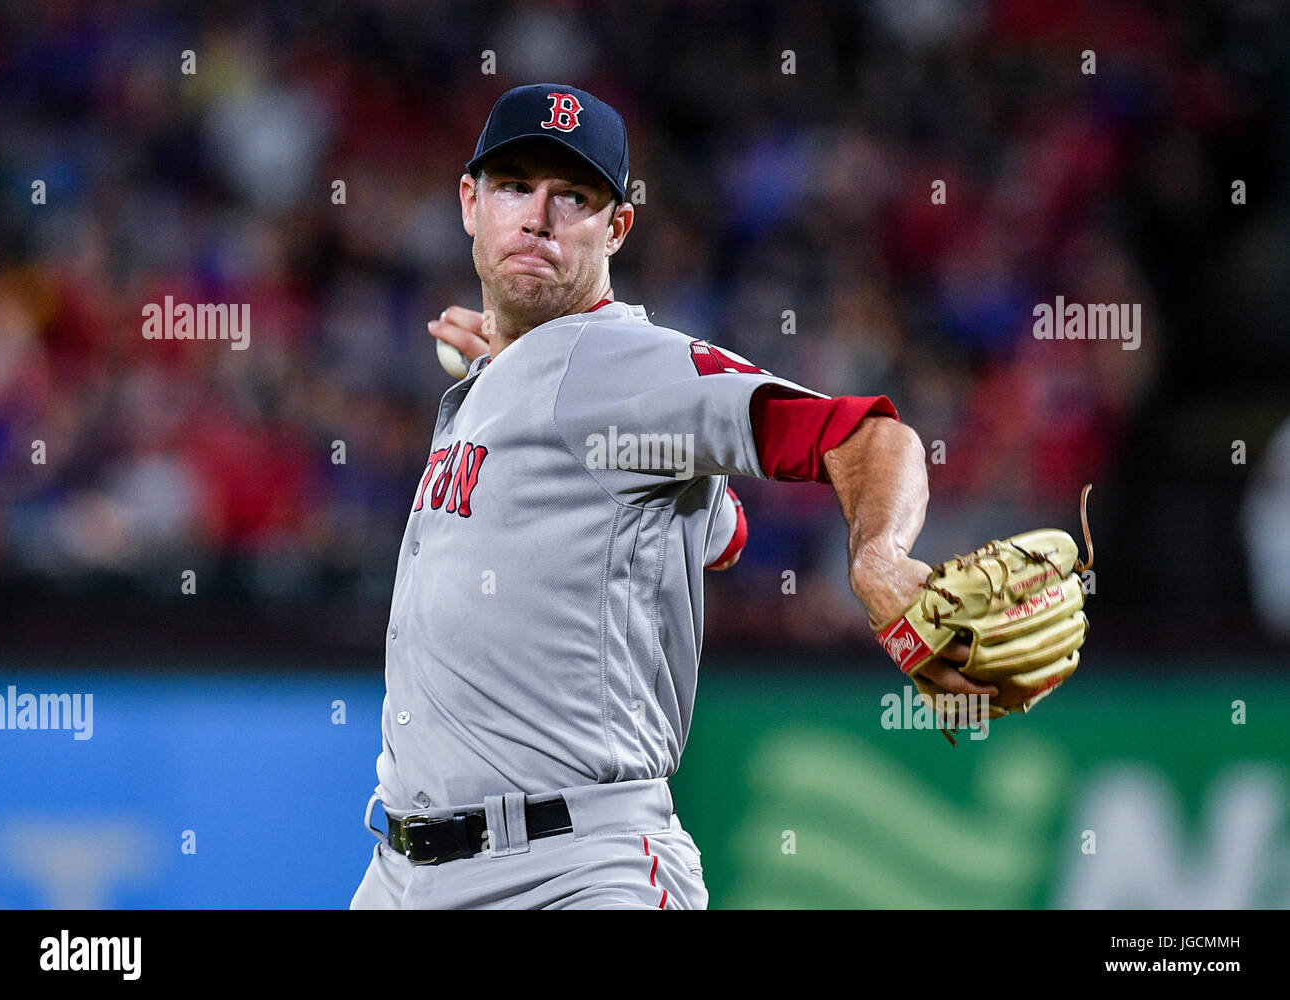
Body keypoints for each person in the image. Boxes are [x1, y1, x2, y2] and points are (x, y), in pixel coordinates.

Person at [350, 83, 992, 910]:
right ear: (470, 204)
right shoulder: (511, 385)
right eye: (516, 187)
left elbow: (869, 438)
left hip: (571, 872)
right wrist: (515, 375)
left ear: (616, 228)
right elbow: (716, 535)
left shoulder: (629, 364)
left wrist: (878, 558)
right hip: (401, 872)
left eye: (573, 196)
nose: (539, 216)